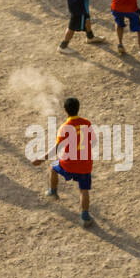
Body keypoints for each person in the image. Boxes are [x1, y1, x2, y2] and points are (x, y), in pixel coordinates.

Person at [37, 95, 95, 228]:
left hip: (68, 164)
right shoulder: (87, 123)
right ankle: (85, 217)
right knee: (83, 190)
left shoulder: (64, 127)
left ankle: (53, 192)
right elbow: (92, 140)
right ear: (78, 108)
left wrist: (40, 159)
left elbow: (56, 149)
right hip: (85, 165)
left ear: (65, 110)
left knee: (53, 168)